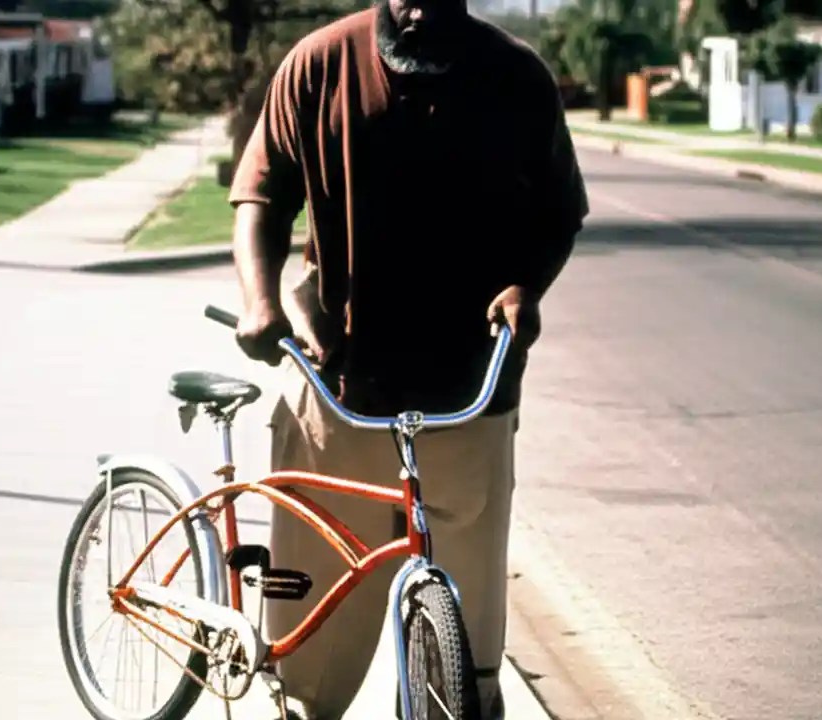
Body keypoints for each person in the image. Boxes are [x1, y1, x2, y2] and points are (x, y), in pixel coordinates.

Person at [226, 0, 588, 716]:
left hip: (469, 401)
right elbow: (261, 196)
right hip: (338, 396)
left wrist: (527, 285)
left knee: (465, 670)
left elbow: (558, 212)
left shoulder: (517, 77)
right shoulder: (319, 65)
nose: (420, 8)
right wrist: (259, 300)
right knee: (308, 665)